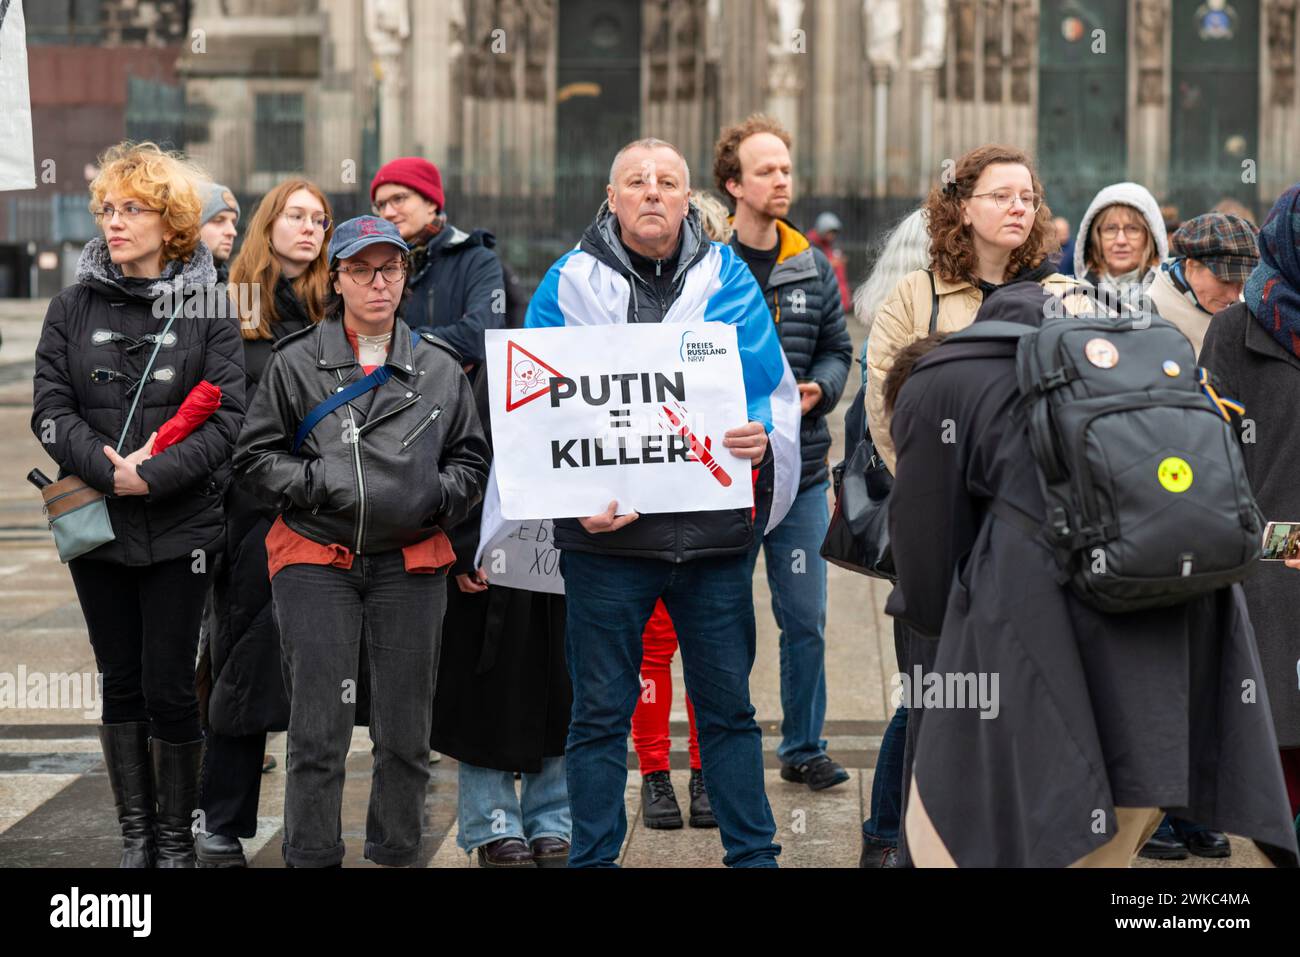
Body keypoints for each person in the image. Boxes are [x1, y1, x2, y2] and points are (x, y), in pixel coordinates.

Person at [885, 282, 1299, 868]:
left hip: (1044, 671)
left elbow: (926, 573)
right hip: (1179, 673)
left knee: (944, 840)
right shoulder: (1127, 366)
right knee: (1110, 843)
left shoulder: (937, 383)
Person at [524, 137, 800, 868]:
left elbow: (768, 389)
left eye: (668, 181)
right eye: (637, 181)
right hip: (606, 544)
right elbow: (533, 407)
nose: (653, 192)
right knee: (598, 717)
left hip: (711, 541)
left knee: (729, 713)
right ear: (611, 198)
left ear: (688, 198)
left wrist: (758, 437)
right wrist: (573, 498)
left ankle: (755, 857)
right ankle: (593, 860)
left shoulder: (728, 277)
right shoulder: (568, 283)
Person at [233, 215, 490, 867]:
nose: (379, 283)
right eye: (362, 269)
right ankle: (311, 854)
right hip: (318, 556)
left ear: (406, 276)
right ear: (338, 278)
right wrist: (319, 481)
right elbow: (254, 457)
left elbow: (471, 458)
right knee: (318, 730)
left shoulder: (438, 366)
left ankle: (396, 851)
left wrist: (435, 495)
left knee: (406, 732)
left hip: (411, 561)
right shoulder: (296, 363)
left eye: (391, 268)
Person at [863, 143, 1087, 866]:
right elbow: (885, 414)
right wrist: (942, 493)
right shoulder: (917, 296)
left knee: (1029, 697)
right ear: (961, 208)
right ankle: (905, 843)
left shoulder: (1067, 295)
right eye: (1001, 195)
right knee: (935, 699)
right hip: (942, 530)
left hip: (1035, 536)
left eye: (1028, 196)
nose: (1019, 207)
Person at [31, 141, 246, 867]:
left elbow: (228, 418)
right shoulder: (71, 305)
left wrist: (151, 478)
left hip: (182, 525)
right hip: (97, 526)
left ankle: (175, 837)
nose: (114, 222)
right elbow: (50, 411)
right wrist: (107, 469)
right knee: (119, 679)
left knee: (171, 685)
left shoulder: (209, 304)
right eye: (107, 210)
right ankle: (137, 837)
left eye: (132, 209)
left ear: (171, 221)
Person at [193, 179, 334, 867]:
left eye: (320, 220)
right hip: (249, 514)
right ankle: (221, 820)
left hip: (329, 510)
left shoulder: (339, 307)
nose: (309, 228)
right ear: (268, 224)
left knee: (327, 676)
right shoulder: (229, 304)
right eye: (295, 215)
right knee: (242, 666)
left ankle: (318, 832)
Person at [715, 115, 854, 791]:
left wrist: (821, 388)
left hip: (801, 473)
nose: (781, 180)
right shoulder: (707, 267)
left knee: (806, 618)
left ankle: (803, 746)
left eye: (786, 169)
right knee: (724, 621)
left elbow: (837, 348)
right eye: (765, 170)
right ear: (733, 184)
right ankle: (724, 751)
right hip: (725, 472)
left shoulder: (812, 264)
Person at [429, 282, 574, 869]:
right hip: (502, 558)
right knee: (489, 689)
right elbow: (470, 455)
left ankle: (553, 820)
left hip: (574, 557)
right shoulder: (506, 368)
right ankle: (493, 824)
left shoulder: (616, 363)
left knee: (564, 689)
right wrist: (466, 548)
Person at [1200, 183, 1300, 850]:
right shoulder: (1236, 329)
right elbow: (1209, 463)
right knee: (1279, 756)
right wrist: (1282, 542)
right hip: (1273, 571)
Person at [630, 192, 734, 832]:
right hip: (644, 498)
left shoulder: (731, 303)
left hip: (705, 500)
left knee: (705, 653)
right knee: (652, 651)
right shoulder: (621, 296)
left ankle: (702, 774)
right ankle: (654, 774)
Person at [850, 206, 930, 868]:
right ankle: (883, 831)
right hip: (929, 520)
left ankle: (897, 831)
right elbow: (881, 421)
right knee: (925, 690)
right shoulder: (911, 308)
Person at [370, 156, 505, 369]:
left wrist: (397, 343)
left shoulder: (478, 261)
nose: (388, 212)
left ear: (431, 202)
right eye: (380, 205)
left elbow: (478, 338)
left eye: (399, 199)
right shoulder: (375, 266)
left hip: (458, 390)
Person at [1145, 211, 1259, 358]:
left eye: (1242, 282)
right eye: (1224, 281)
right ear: (1191, 266)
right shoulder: (1144, 315)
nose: (1234, 296)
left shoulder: (1250, 314)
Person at [1073, 181, 1167, 308]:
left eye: (1132, 229)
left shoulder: (1169, 300)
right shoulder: (1072, 300)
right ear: (1095, 237)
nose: (1121, 241)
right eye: (1110, 229)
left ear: (1150, 237)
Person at [807, 210, 853, 311]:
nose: (833, 236)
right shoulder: (811, 245)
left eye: (834, 233)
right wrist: (832, 263)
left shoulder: (828, 245)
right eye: (830, 232)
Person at [198, 182, 240, 282]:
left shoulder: (234, 287)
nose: (232, 232)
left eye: (233, 222)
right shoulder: (167, 285)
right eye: (219, 220)